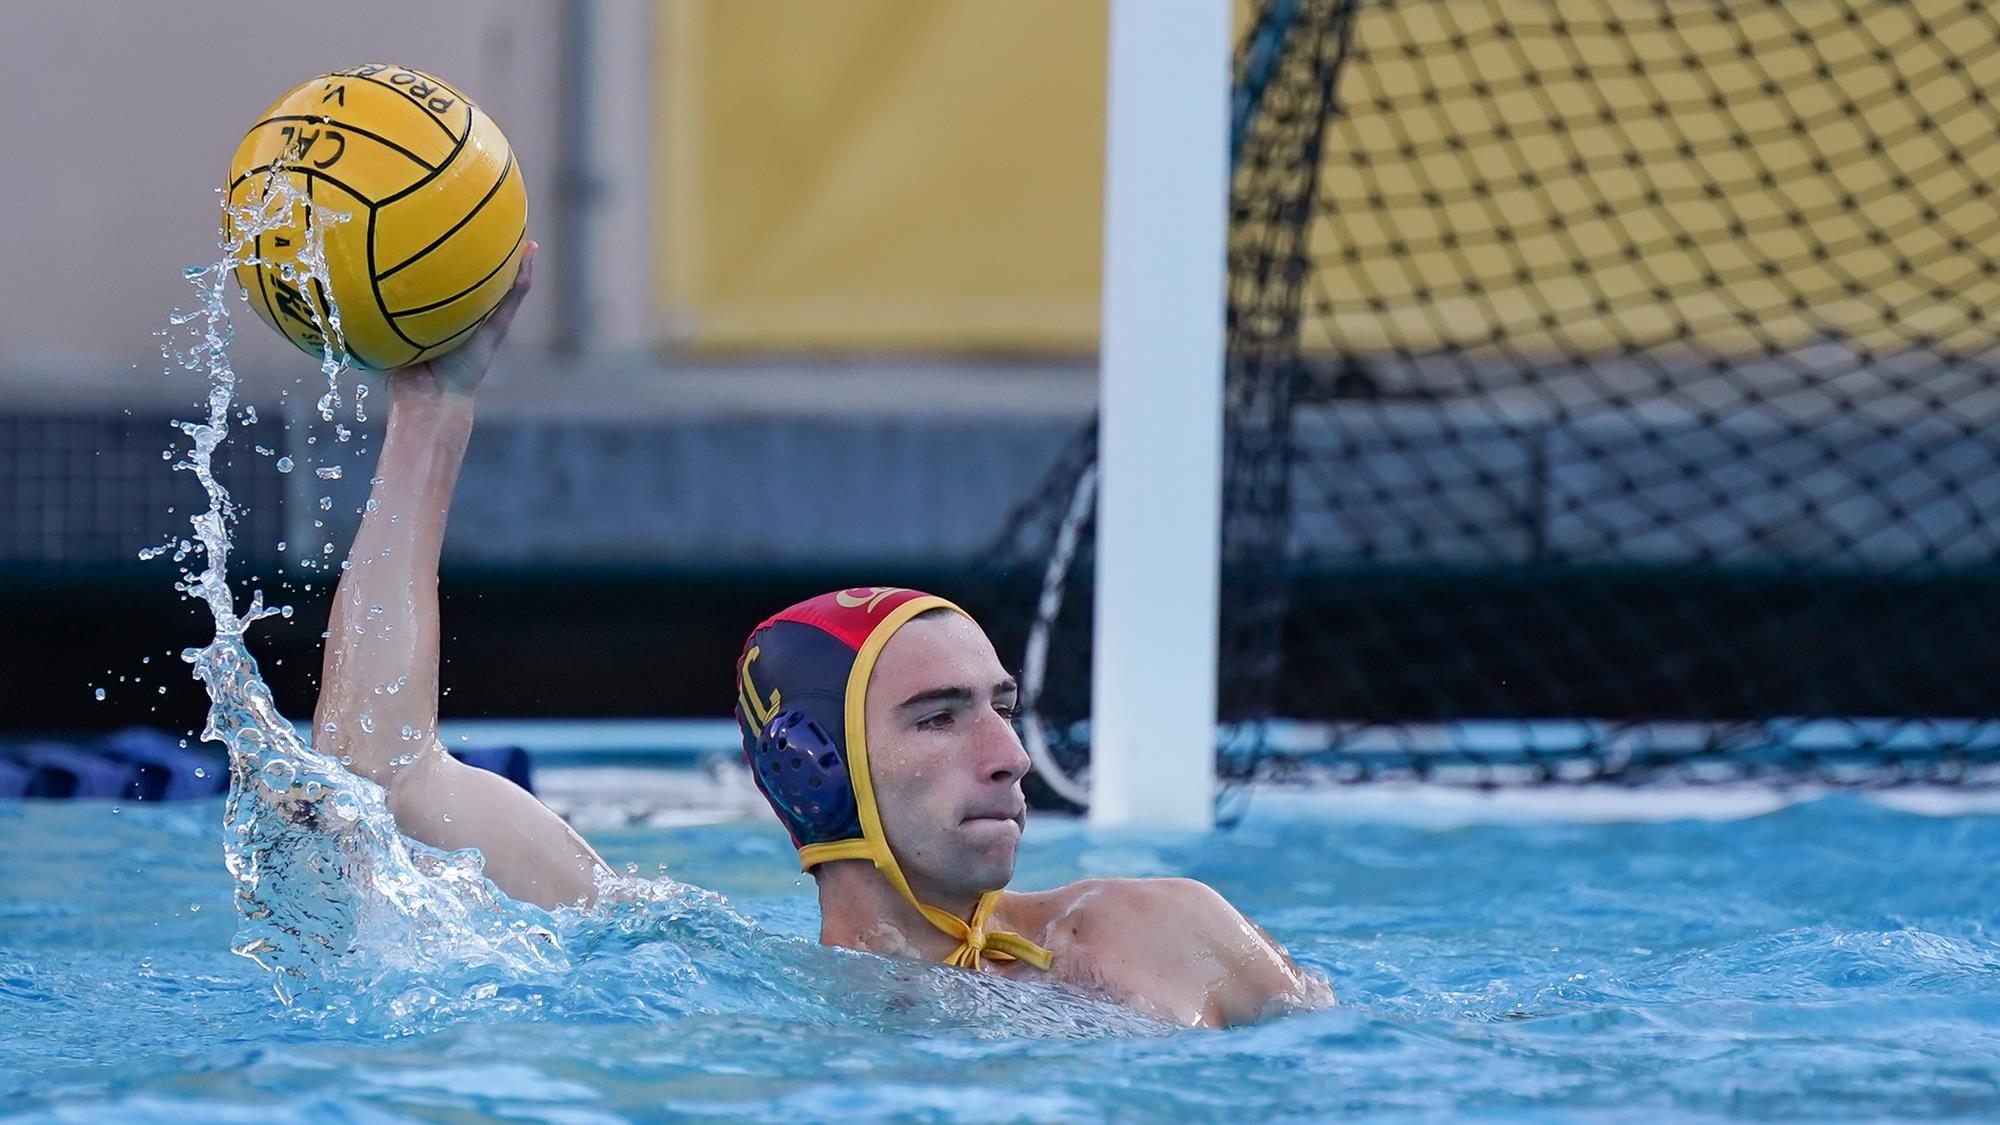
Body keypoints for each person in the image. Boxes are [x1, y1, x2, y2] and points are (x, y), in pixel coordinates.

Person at [316, 244, 1335, 1028]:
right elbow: (380, 768)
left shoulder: (1152, 932)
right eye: (938, 719)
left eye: (1001, 708)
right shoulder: (707, 967)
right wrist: (432, 406)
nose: (1011, 756)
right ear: (817, 770)